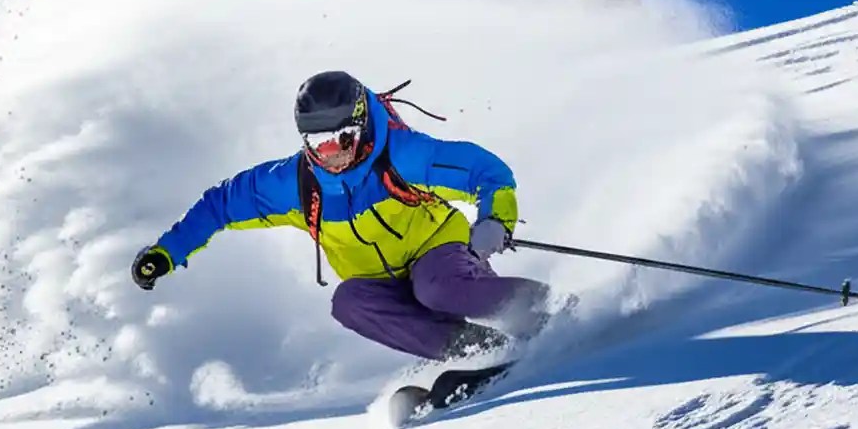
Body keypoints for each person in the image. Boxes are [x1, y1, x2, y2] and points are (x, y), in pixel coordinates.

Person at [131, 71, 550, 361]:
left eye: (341, 139)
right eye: (318, 142)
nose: (331, 154)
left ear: (361, 125)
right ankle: (478, 352)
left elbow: (487, 172)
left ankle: (547, 311)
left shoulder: (402, 156)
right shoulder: (295, 184)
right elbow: (220, 204)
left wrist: (495, 220)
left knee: (436, 288)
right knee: (348, 302)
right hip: (381, 280)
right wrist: (167, 253)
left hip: (437, 252)